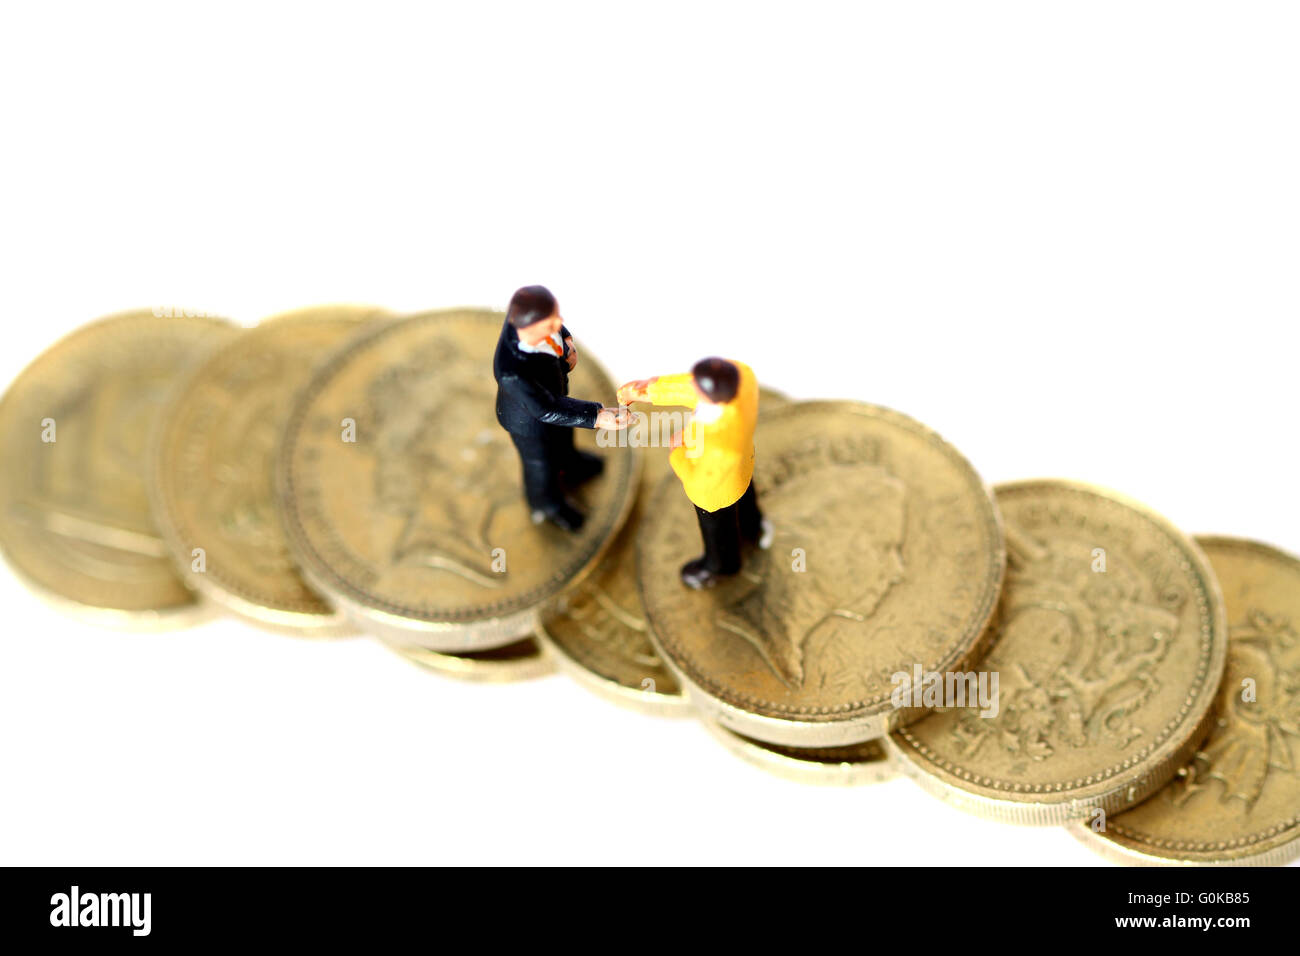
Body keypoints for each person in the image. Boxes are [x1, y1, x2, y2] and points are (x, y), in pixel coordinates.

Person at [494, 285, 629, 532]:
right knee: (540, 466)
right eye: (551, 322)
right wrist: (597, 416)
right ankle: (547, 504)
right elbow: (545, 409)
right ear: (527, 328)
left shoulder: (529, 318)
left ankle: (571, 464)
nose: (559, 322)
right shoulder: (512, 373)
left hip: (555, 401)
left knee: (565, 437)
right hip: (530, 425)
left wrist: (566, 340)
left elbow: (556, 328)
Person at [619, 357, 762, 588]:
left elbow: (699, 480)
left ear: (711, 397)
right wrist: (652, 389)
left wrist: (677, 451)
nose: (692, 385)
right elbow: (690, 389)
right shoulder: (744, 379)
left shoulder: (720, 445)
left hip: (716, 493)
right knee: (747, 500)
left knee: (718, 530)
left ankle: (721, 566)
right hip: (744, 464)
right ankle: (754, 529)